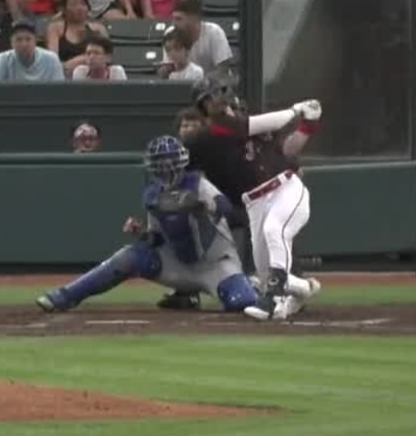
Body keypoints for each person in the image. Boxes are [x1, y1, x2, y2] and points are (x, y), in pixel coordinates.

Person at [35, 135, 260, 315]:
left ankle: (253, 285)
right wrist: (140, 232)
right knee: (127, 257)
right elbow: (156, 239)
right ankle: (65, 296)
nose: (165, 168)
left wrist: (202, 207)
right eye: (160, 163)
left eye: (168, 162)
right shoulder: (153, 195)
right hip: (178, 266)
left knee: (243, 302)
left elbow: (226, 208)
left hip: (215, 264)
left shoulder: (198, 184)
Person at [178, 73, 324, 320]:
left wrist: (306, 126)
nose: (228, 105)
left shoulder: (250, 126)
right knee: (266, 272)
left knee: (274, 229)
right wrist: (297, 110)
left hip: (285, 187)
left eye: (234, 104)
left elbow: (286, 149)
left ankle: (272, 299)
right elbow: (259, 124)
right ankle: (303, 288)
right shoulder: (221, 127)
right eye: (213, 98)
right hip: (253, 202)